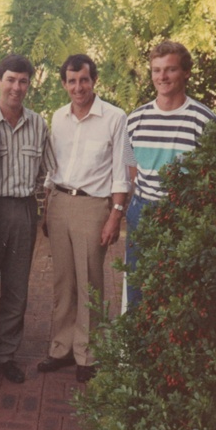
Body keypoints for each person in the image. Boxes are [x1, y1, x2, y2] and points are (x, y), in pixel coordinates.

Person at [38, 54, 130, 384]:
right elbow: (53, 167)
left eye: (84, 80)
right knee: (63, 281)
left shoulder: (115, 118)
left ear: (94, 80)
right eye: (72, 81)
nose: (79, 87)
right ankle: (61, 347)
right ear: (64, 84)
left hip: (93, 206)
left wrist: (115, 215)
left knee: (89, 280)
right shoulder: (58, 117)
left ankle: (87, 353)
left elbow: (122, 171)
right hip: (60, 202)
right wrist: (46, 205)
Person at [0, 54, 55, 385]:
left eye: (23, 81)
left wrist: (45, 209)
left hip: (23, 210)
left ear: (28, 85)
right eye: (10, 80)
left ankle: (6, 355)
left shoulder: (38, 124)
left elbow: (47, 173)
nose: (16, 87)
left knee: (16, 288)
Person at [124, 40, 216, 307]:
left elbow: (213, 176)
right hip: (141, 211)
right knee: (139, 290)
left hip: (183, 214)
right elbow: (131, 168)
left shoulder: (204, 120)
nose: (162, 77)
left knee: (179, 296)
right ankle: (138, 336)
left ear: (186, 72)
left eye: (170, 69)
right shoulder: (135, 119)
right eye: (156, 70)